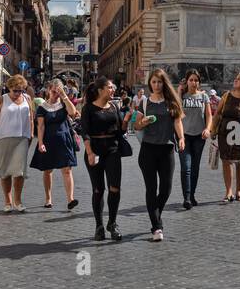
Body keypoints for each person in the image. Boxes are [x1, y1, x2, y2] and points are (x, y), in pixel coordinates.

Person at [135, 69, 184, 240]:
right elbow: (136, 126)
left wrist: (181, 138)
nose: (156, 85)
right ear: (150, 84)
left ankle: (156, 214)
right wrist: (143, 121)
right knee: (151, 188)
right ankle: (157, 226)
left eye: (159, 82)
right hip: (148, 149)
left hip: (167, 149)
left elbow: (177, 121)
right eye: (154, 82)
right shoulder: (144, 102)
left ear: (164, 83)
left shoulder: (172, 102)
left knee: (166, 188)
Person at [80, 75, 126, 241]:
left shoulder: (114, 107)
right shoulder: (88, 109)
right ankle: (99, 225)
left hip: (113, 150)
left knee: (115, 187)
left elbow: (121, 130)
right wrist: (90, 152)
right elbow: (84, 131)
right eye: (110, 87)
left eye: (113, 87)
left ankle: (112, 223)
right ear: (100, 90)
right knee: (98, 189)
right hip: (95, 151)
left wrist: (127, 120)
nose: (113, 89)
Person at [0, 75, 34, 213]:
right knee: (5, 171)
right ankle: (8, 201)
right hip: (4, 138)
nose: (17, 93)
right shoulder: (3, 99)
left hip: (22, 138)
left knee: (20, 172)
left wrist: (31, 133)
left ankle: (18, 200)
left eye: (20, 90)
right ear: (9, 88)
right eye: (15, 90)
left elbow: (31, 118)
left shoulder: (27, 99)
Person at [31, 79, 79, 211]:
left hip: (64, 140)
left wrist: (64, 96)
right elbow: (40, 127)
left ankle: (70, 199)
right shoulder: (42, 107)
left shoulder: (64, 104)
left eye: (59, 91)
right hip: (48, 140)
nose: (56, 94)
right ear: (48, 90)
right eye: (54, 91)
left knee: (67, 170)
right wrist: (40, 143)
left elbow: (73, 113)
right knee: (48, 170)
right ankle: (48, 198)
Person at [211, 71, 240, 203]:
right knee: (226, 161)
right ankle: (228, 191)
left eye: (239, 79)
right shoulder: (226, 96)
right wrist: (213, 129)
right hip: (224, 134)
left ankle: (239, 190)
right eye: (236, 78)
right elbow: (218, 114)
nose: (235, 80)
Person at [179, 71, 212, 208]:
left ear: (199, 82)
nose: (193, 82)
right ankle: (186, 197)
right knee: (186, 167)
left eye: (196, 80)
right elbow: (176, 114)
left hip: (199, 136)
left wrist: (208, 129)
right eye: (191, 80)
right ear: (186, 81)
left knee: (195, 168)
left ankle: (192, 194)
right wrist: (179, 91)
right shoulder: (182, 96)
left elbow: (209, 115)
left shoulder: (204, 96)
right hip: (184, 136)